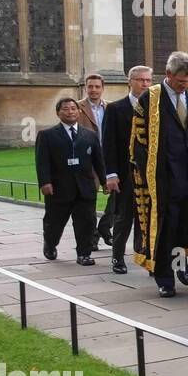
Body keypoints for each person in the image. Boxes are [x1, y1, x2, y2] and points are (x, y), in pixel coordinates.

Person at [131, 51, 188, 297]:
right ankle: (165, 279)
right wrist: (146, 176)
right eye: (181, 81)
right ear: (168, 74)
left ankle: (180, 262)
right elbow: (139, 140)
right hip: (164, 176)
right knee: (167, 227)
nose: (185, 85)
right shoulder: (150, 98)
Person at [35, 97, 105, 266]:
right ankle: (50, 243)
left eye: (73, 108)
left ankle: (84, 253)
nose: (70, 112)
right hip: (59, 187)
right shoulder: (47, 135)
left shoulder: (90, 135)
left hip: (85, 186)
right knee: (54, 222)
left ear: (79, 112)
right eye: (66, 109)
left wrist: (104, 181)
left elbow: (98, 160)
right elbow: (42, 161)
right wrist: (45, 182)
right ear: (58, 113)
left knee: (86, 222)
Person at [103, 65, 152, 274]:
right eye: (141, 80)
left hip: (150, 173)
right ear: (130, 82)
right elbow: (108, 143)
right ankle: (117, 257)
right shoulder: (115, 108)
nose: (145, 84)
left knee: (149, 218)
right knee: (124, 217)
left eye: (148, 80)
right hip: (125, 173)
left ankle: (146, 257)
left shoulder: (156, 107)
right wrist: (111, 174)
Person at [76, 73, 114, 249]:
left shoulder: (110, 107)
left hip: (109, 158)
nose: (94, 90)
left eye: (97, 87)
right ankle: (92, 237)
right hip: (89, 161)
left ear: (102, 88)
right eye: (90, 86)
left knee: (118, 197)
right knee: (89, 201)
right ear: (85, 87)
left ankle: (104, 228)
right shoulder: (76, 108)